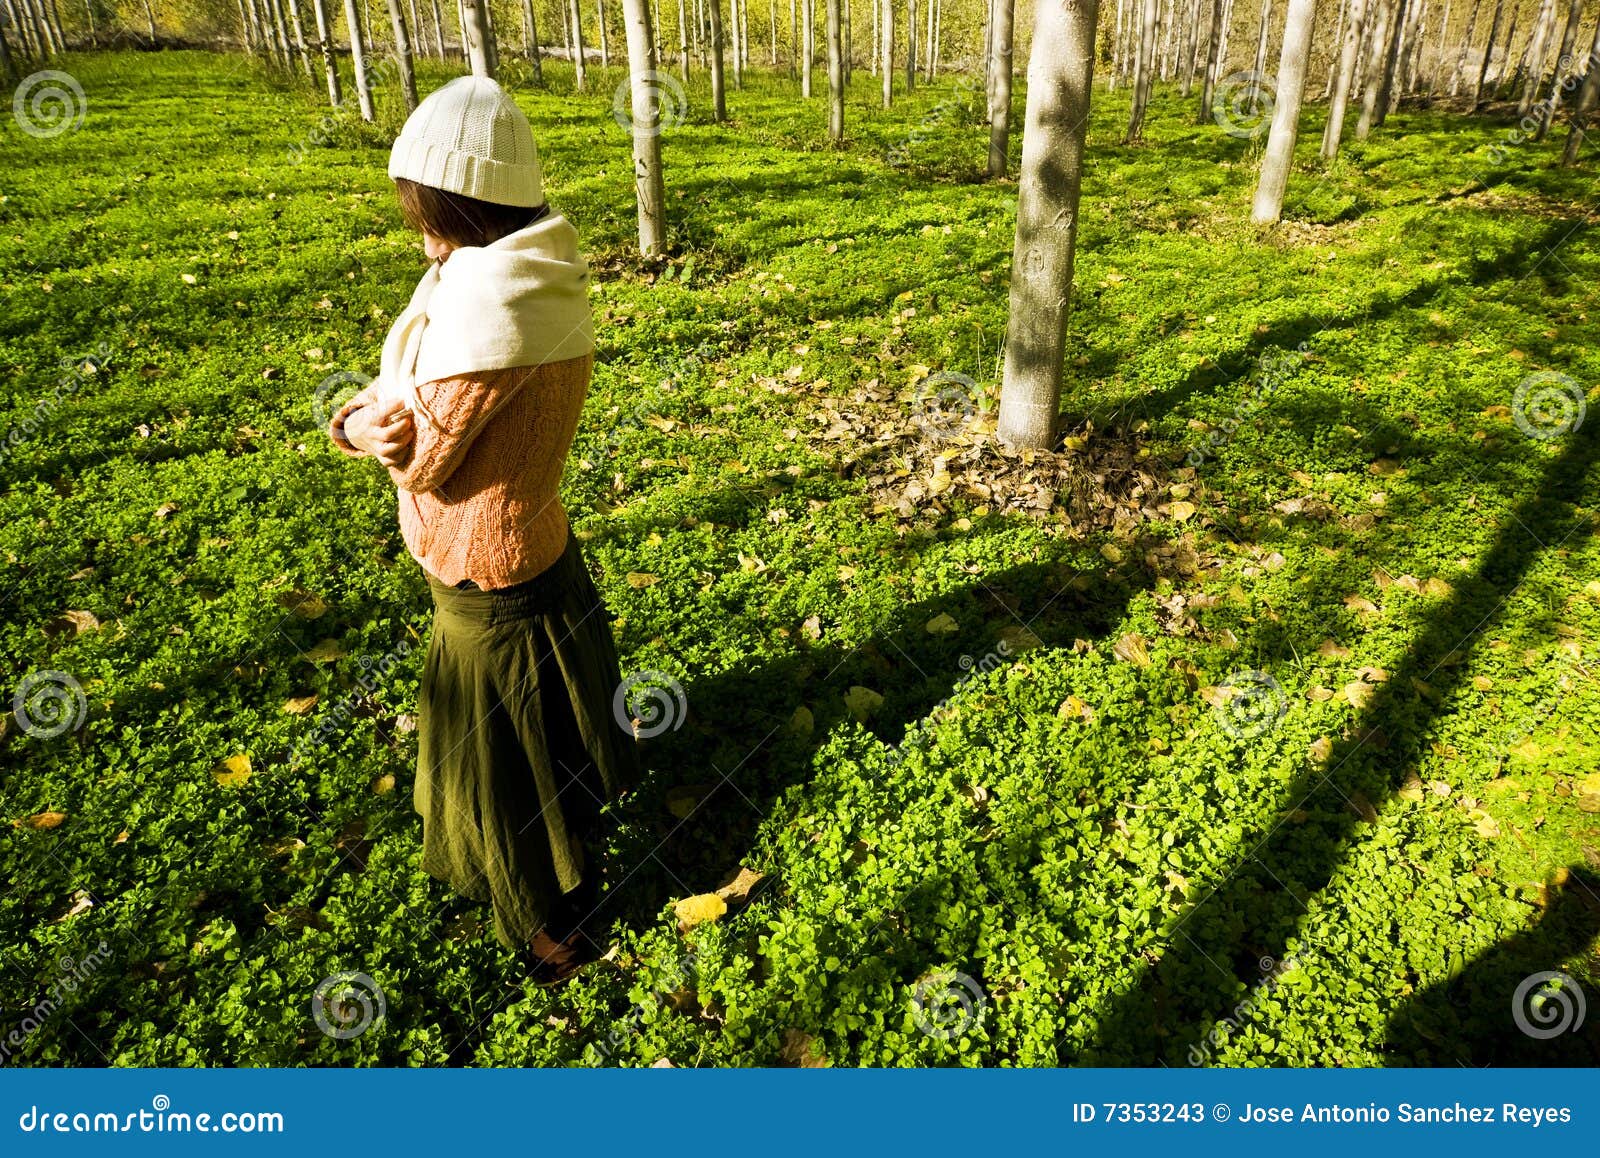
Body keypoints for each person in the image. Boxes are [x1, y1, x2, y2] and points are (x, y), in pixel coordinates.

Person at [329, 76, 638, 985]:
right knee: (550, 735)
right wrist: (357, 420)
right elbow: (397, 408)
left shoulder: (487, 314)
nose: (425, 245)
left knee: (502, 766)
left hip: (486, 579)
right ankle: (571, 830)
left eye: (437, 222)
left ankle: (544, 916)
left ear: (479, 210)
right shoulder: (532, 270)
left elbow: (422, 458)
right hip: (533, 544)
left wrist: (371, 436)